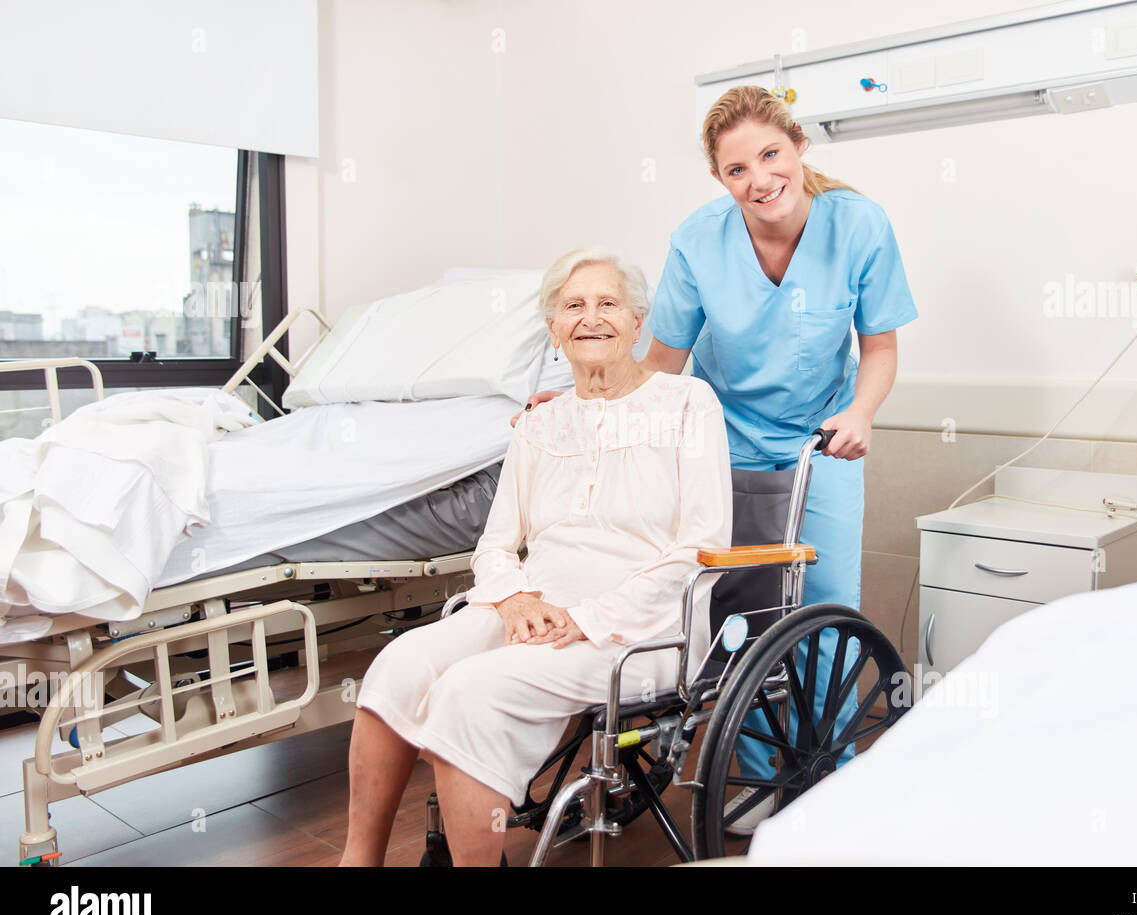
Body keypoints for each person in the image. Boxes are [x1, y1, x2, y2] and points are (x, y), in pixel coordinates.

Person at [520, 86, 918, 834]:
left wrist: (860, 412)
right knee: (732, 611)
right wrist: (591, 398)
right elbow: (664, 358)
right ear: (719, 179)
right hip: (713, 441)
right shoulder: (700, 240)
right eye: (737, 169)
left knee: (824, 612)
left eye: (770, 155)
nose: (759, 179)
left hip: (819, 442)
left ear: (798, 144)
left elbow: (881, 346)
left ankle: (825, 777)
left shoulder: (858, 225)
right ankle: (758, 778)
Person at [340, 249, 732, 866]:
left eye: (608, 304)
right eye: (572, 306)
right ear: (553, 330)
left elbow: (702, 548)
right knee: (398, 665)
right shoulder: (539, 423)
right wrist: (516, 598)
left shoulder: (687, 404)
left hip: (639, 630)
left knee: (469, 689)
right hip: (528, 610)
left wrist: (589, 618)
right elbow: (495, 545)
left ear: (637, 322)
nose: (590, 318)